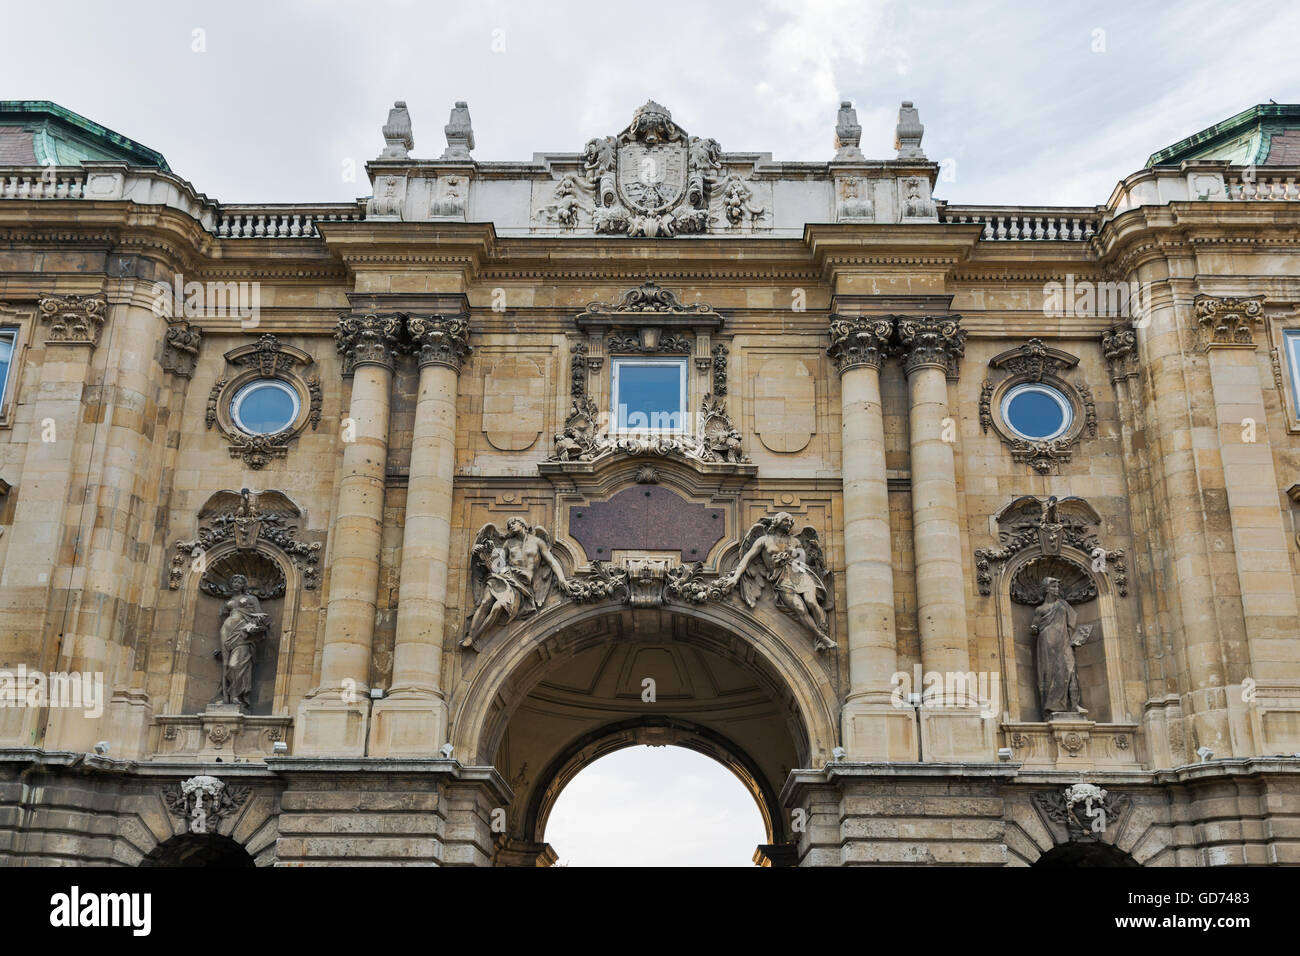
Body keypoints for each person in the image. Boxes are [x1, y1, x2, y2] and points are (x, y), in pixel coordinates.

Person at [1030, 576, 1089, 716]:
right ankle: (1051, 706)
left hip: (1063, 640)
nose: (1056, 590)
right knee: (1050, 673)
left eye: (1057, 587)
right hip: (1046, 642)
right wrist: (1033, 628)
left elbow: (1072, 622)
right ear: (1046, 589)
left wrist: (1077, 638)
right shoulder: (1040, 609)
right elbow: (1035, 625)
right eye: (1053, 587)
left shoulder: (1063, 605)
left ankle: (1074, 705)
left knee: (1070, 670)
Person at [214, 574, 268, 710]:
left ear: (244, 585)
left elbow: (260, 617)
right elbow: (223, 618)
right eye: (234, 581)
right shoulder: (229, 602)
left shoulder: (251, 599)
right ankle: (226, 697)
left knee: (235, 665)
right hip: (226, 632)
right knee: (226, 665)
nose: (236, 583)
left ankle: (237, 696)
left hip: (243, 634)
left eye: (239, 581)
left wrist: (252, 628)